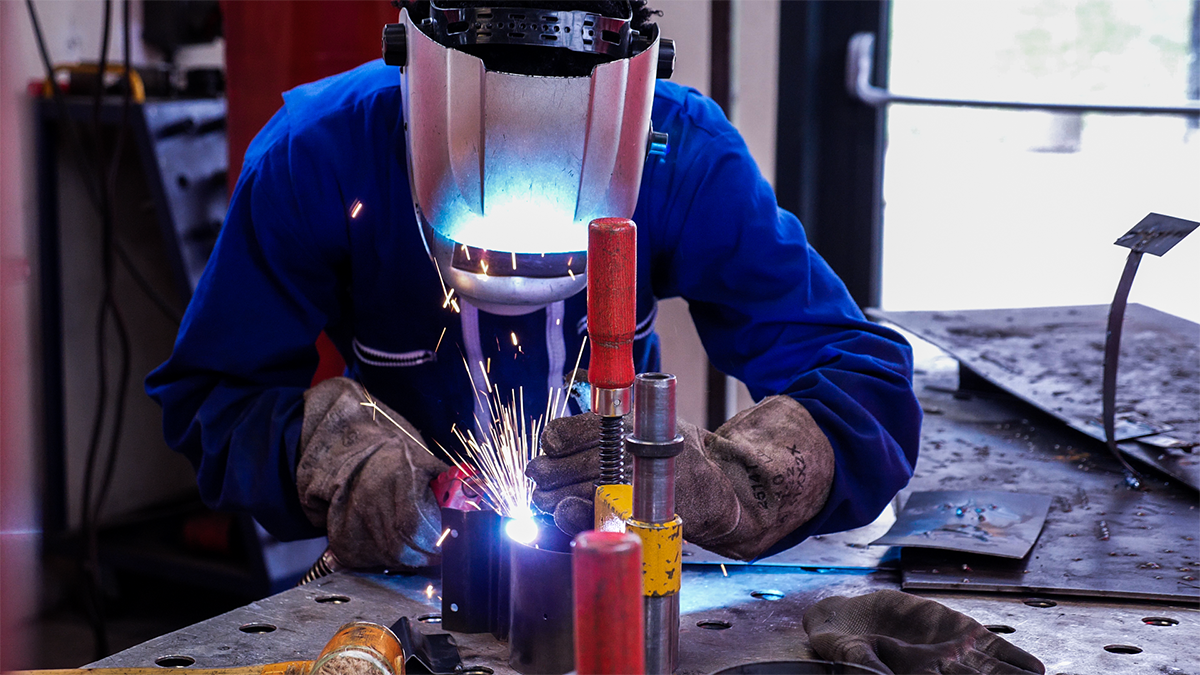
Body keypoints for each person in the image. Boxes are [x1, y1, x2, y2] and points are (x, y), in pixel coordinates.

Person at [146, 0, 922, 570]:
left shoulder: (678, 153)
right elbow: (215, 396)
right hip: (406, 575)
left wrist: (734, 484)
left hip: (617, 557)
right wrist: (331, 453)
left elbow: (867, 386)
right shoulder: (316, 157)